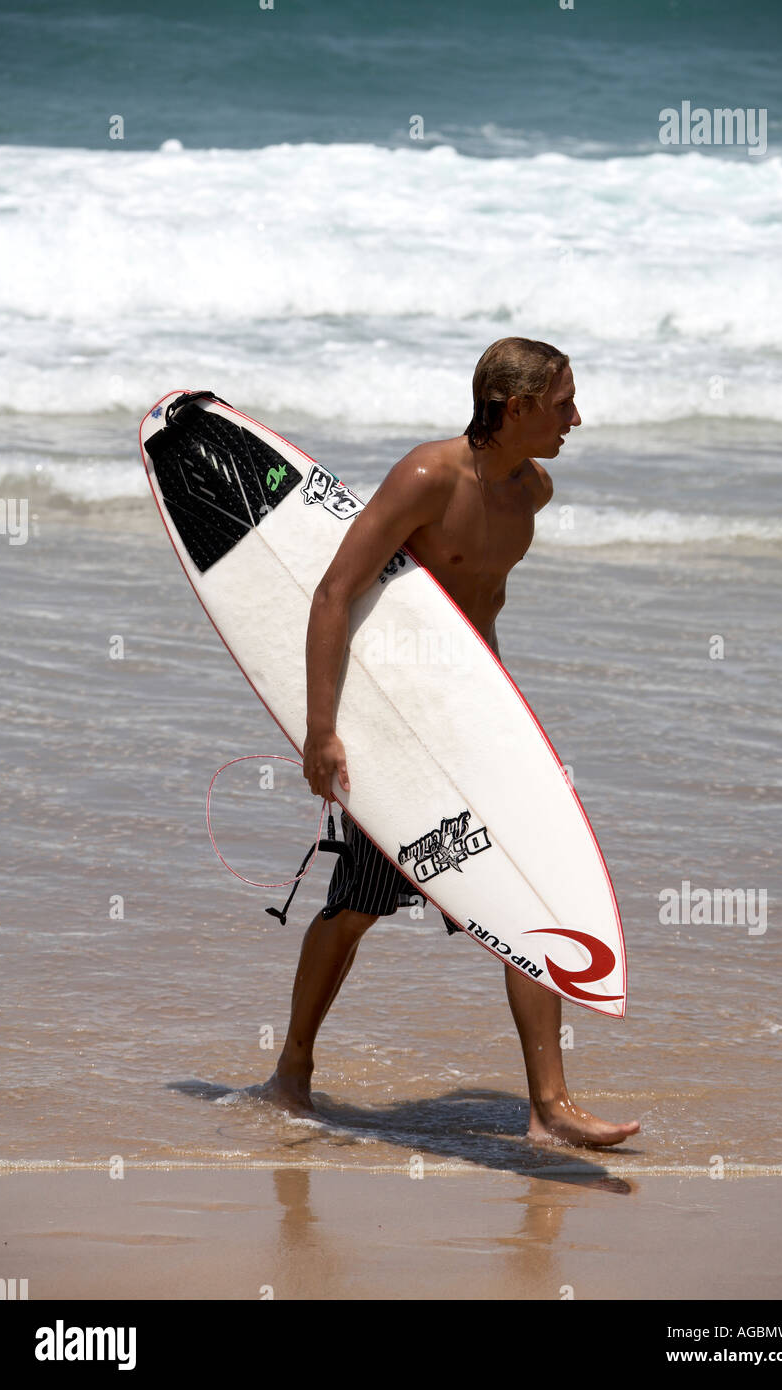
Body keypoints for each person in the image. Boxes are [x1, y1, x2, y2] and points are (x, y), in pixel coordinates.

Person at [260, 336, 640, 1148]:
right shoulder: (428, 478)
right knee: (360, 905)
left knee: (526, 894)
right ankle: (292, 1067)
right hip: (396, 725)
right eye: (563, 403)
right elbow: (333, 593)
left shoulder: (532, 491)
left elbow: (481, 618)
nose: (576, 418)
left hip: (476, 723)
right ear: (513, 408)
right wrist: (323, 731)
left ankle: (549, 1105)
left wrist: (504, 725)